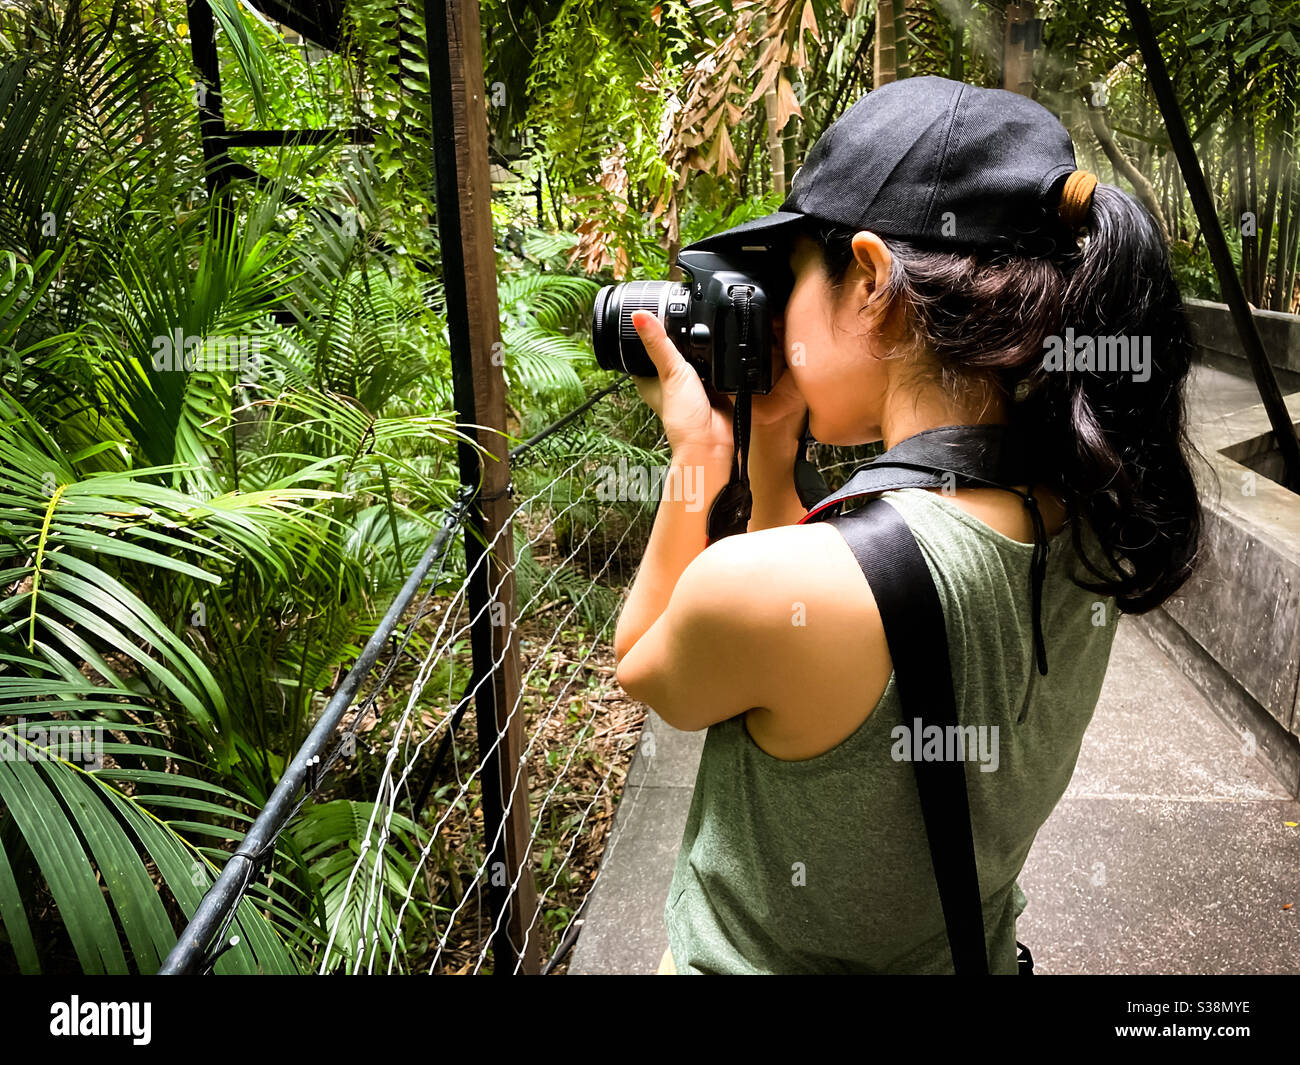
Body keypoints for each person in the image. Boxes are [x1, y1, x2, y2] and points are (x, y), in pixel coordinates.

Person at [612, 76, 1203, 975]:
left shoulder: (779, 589)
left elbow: (648, 666)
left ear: (873, 283)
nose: (778, 315)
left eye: (793, 275)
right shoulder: (1087, 529)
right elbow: (810, 638)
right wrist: (771, 456)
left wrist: (698, 452)